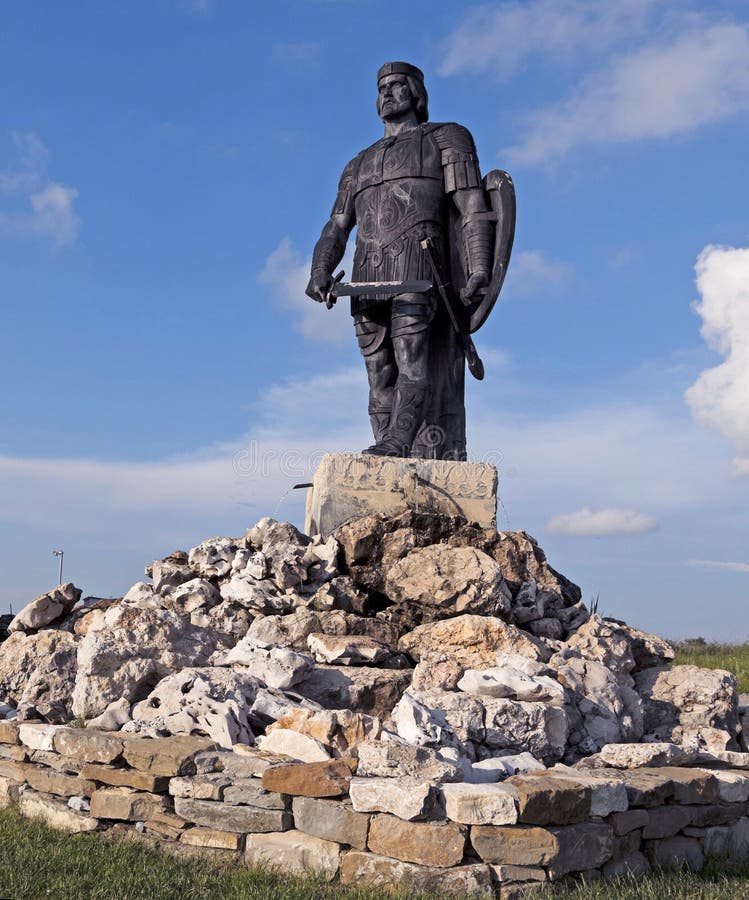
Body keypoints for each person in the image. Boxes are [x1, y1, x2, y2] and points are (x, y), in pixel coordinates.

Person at [306, 62, 493, 459]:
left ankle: (398, 442)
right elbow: (337, 225)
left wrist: (479, 268)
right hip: (365, 276)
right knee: (379, 372)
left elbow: (473, 207)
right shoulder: (357, 163)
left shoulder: (447, 139)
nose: (388, 93)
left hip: (419, 269)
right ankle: (387, 447)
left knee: (411, 357)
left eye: (397, 85)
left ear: (416, 94)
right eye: (382, 88)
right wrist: (320, 268)